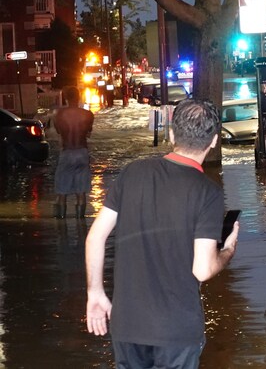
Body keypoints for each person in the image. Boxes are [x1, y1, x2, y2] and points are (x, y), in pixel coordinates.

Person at [85, 99, 239, 369]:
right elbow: (202, 270)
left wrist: (95, 293)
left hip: (127, 326)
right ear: (214, 140)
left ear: (170, 134)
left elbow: (96, 237)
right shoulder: (208, 193)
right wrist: (227, 251)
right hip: (176, 332)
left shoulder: (133, 172)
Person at [53, 86, 95, 219]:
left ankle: (61, 225)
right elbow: (88, 133)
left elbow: (59, 132)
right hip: (82, 152)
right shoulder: (88, 115)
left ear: (65, 98)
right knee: (81, 192)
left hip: (67, 152)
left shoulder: (59, 115)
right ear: (78, 97)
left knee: (61, 192)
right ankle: (81, 224)